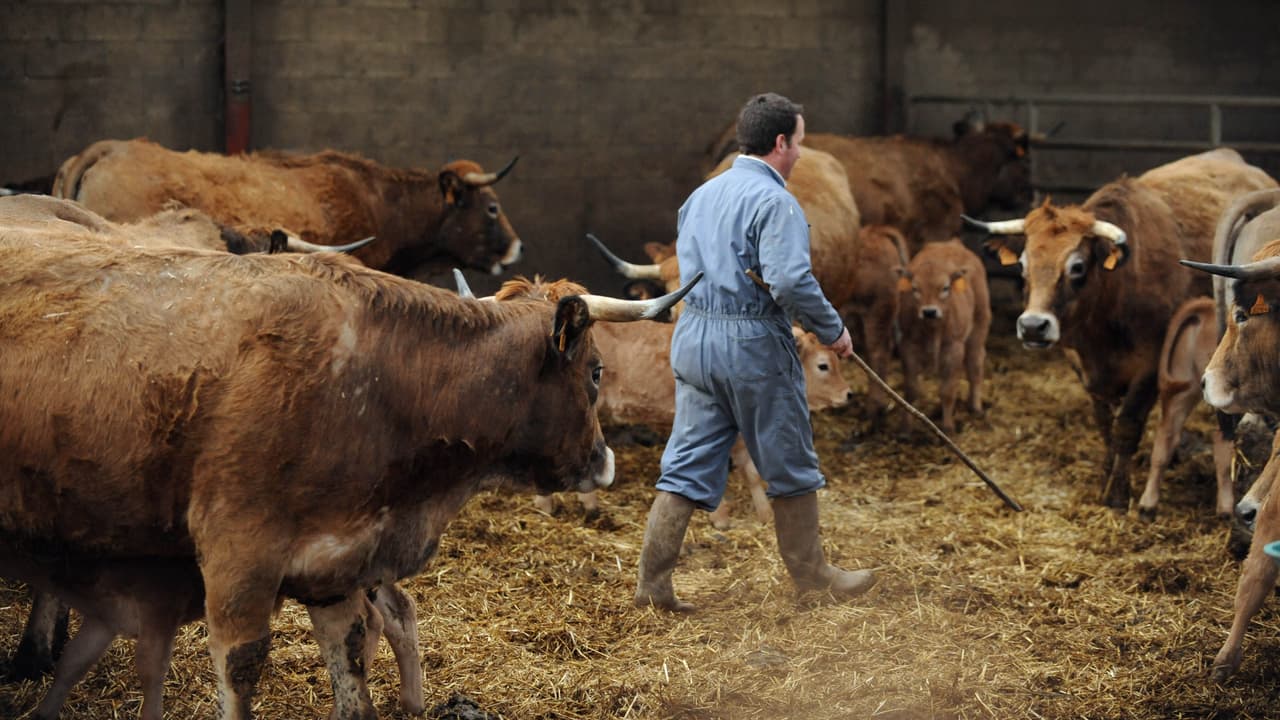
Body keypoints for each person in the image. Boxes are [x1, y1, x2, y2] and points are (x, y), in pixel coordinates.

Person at [634, 92, 876, 612]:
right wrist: (832, 329)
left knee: (685, 464)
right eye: (801, 144)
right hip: (751, 344)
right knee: (789, 462)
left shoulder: (701, 196)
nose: (801, 155)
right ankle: (814, 578)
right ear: (781, 142)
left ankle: (653, 587)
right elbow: (790, 279)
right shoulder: (776, 202)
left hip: (694, 338)